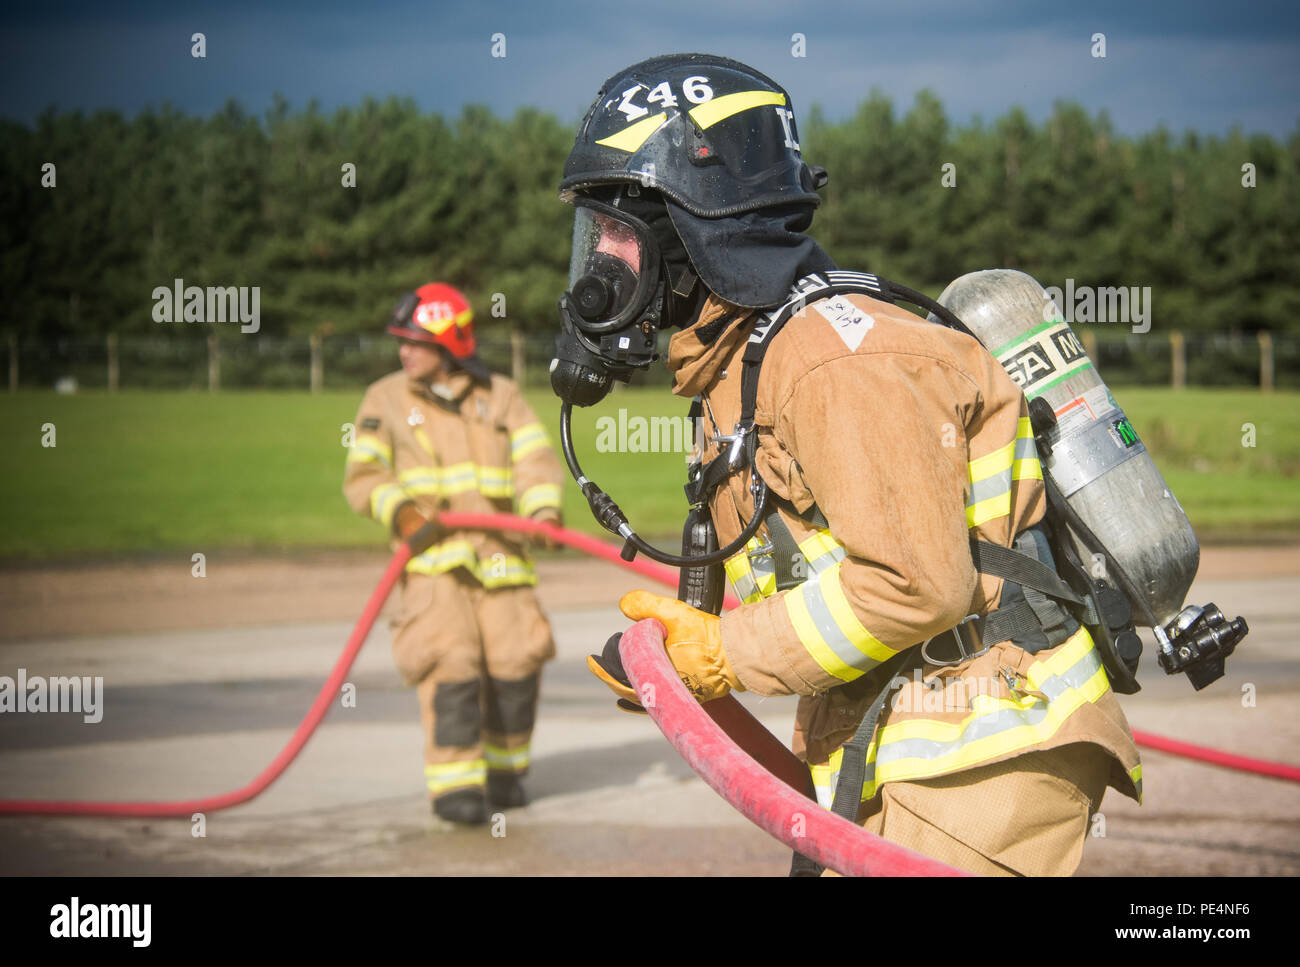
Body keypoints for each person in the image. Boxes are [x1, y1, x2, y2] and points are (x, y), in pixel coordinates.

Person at [560, 54, 1141, 875]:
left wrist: (727, 654)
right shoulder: (743, 368)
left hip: (986, 738)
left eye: (618, 231)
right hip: (907, 739)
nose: (601, 263)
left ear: (693, 229)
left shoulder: (833, 361)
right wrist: (683, 654)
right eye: (596, 233)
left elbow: (915, 582)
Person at [344, 282, 565, 824]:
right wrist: (402, 513)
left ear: (449, 345)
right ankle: (456, 785)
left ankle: (505, 771)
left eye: (416, 341)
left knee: (517, 664)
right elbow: (364, 473)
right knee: (452, 664)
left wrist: (542, 512)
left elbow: (534, 459)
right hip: (434, 565)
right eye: (402, 341)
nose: (404, 351)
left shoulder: (502, 396)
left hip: (503, 560)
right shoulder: (385, 399)